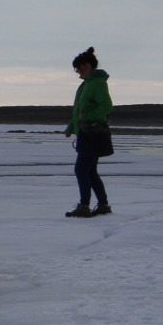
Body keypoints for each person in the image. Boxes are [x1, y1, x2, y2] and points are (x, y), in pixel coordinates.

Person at [64, 47, 113, 218]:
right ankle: (103, 205)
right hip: (85, 133)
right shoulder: (85, 85)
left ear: (87, 65)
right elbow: (78, 111)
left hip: (94, 134)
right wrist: (71, 127)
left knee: (81, 170)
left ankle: (84, 206)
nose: (77, 71)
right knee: (90, 171)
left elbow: (106, 106)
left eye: (79, 68)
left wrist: (89, 118)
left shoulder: (98, 83)